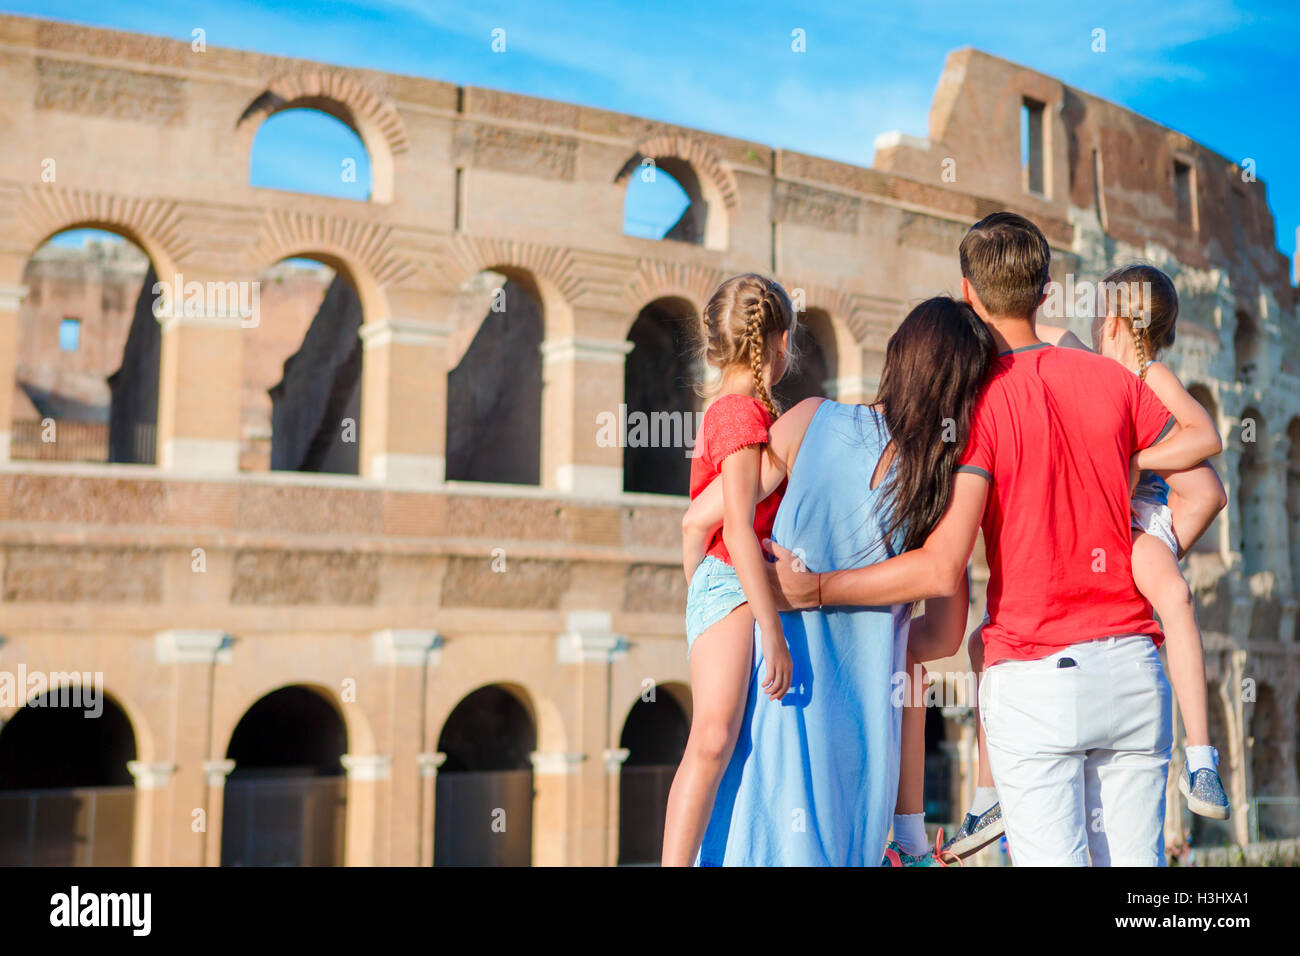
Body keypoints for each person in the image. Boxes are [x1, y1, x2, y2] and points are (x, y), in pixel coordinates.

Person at [765, 212, 1221, 865]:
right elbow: (1207, 486)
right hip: (1132, 668)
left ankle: (985, 803)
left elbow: (943, 565)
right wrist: (1147, 545)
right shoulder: (1116, 379)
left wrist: (813, 589)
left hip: (1036, 675)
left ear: (969, 294)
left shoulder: (976, 406)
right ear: (1045, 294)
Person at [682, 296, 991, 865]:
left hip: (772, 696)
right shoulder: (946, 484)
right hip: (858, 737)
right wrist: (872, 636)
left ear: (897, 359)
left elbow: (710, 517)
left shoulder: (806, 420)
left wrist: (734, 601)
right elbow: (942, 638)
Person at [944, 264, 1230, 858]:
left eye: (1100, 315)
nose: (1090, 325)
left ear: (1120, 321)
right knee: (981, 646)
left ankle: (1201, 757)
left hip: (1135, 531)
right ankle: (988, 794)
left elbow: (1207, 445)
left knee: (1170, 597)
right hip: (1122, 656)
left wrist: (1132, 455)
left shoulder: (1145, 376)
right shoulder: (1100, 371)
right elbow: (1043, 336)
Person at [660, 273, 797, 867]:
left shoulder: (731, 411)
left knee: (724, 743)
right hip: (734, 584)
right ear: (780, 343)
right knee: (713, 740)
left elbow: (697, 520)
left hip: (725, 580)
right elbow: (736, 526)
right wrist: (769, 628)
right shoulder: (740, 416)